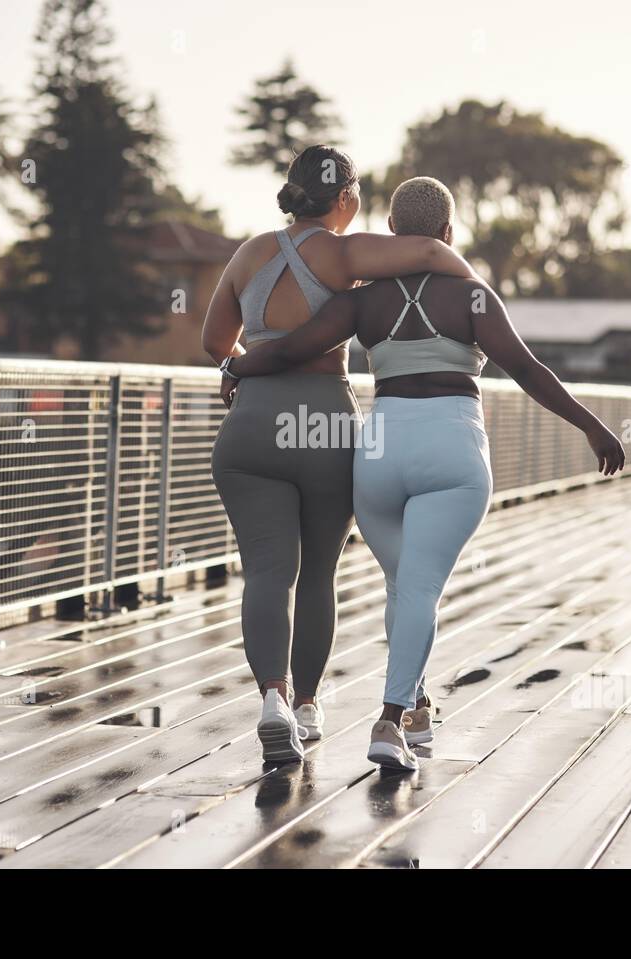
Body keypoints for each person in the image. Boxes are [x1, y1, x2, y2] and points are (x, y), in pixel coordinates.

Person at [224, 176, 626, 770]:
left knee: (403, 588)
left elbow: (290, 348)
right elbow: (527, 368)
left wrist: (239, 368)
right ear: (447, 233)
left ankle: (414, 707)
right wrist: (592, 425)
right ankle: (389, 722)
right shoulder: (473, 296)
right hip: (451, 450)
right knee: (419, 591)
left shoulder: (362, 301)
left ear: (392, 233)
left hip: (380, 454)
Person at [202, 148, 481, 764]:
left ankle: (271, 697)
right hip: (323, 425)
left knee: (269, 572)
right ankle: (307, 704)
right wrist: (475, 293)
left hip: (252, 426)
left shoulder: (249, 253)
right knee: (319, 572)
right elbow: (432, 255)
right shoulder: (346, 252)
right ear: (347, 199)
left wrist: (239, 366)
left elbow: (213, 341)